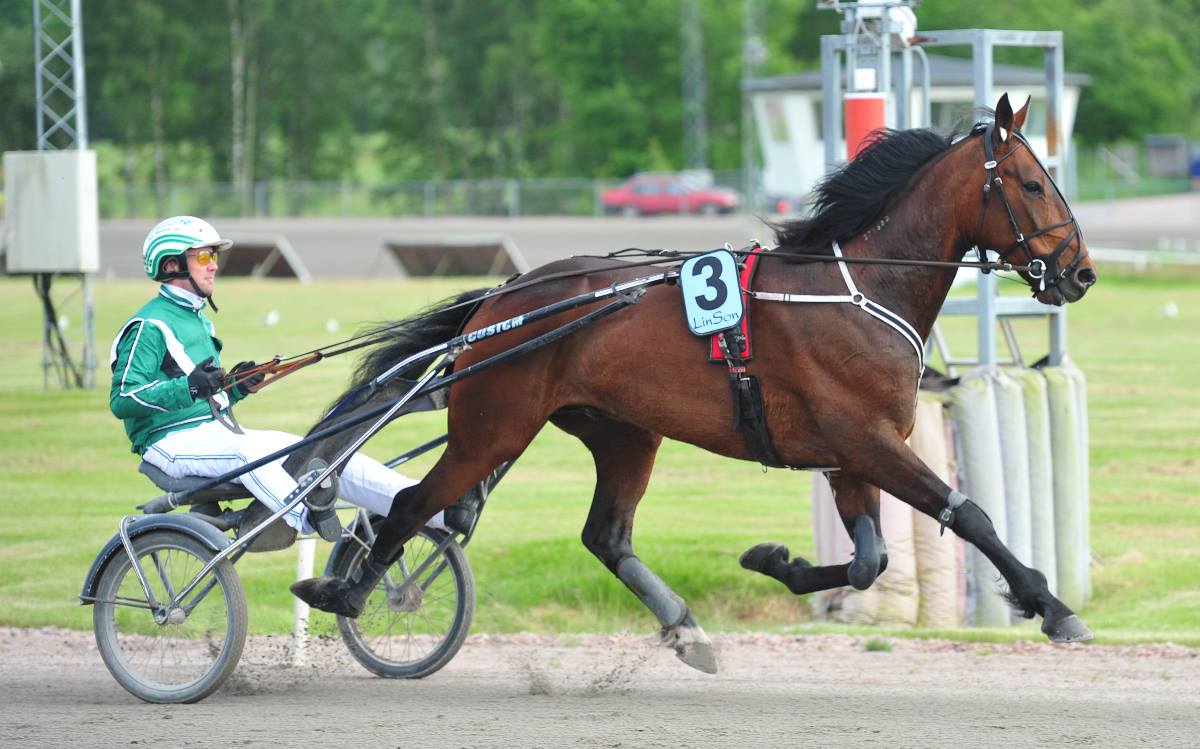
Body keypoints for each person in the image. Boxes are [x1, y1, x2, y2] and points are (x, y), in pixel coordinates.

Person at [109, 215, 442, 542]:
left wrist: (236, 386)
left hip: (212, 435)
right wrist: (190, 386)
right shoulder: (148, 326)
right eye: (204, 256)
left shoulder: (198, 320)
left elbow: (203, 393)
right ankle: (310, 517)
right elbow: (124, 398)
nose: (214, 265)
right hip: (167, 444)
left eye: (214, 257)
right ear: (170, 266)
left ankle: (425, 505)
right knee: (248, 451)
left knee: (320, 449)